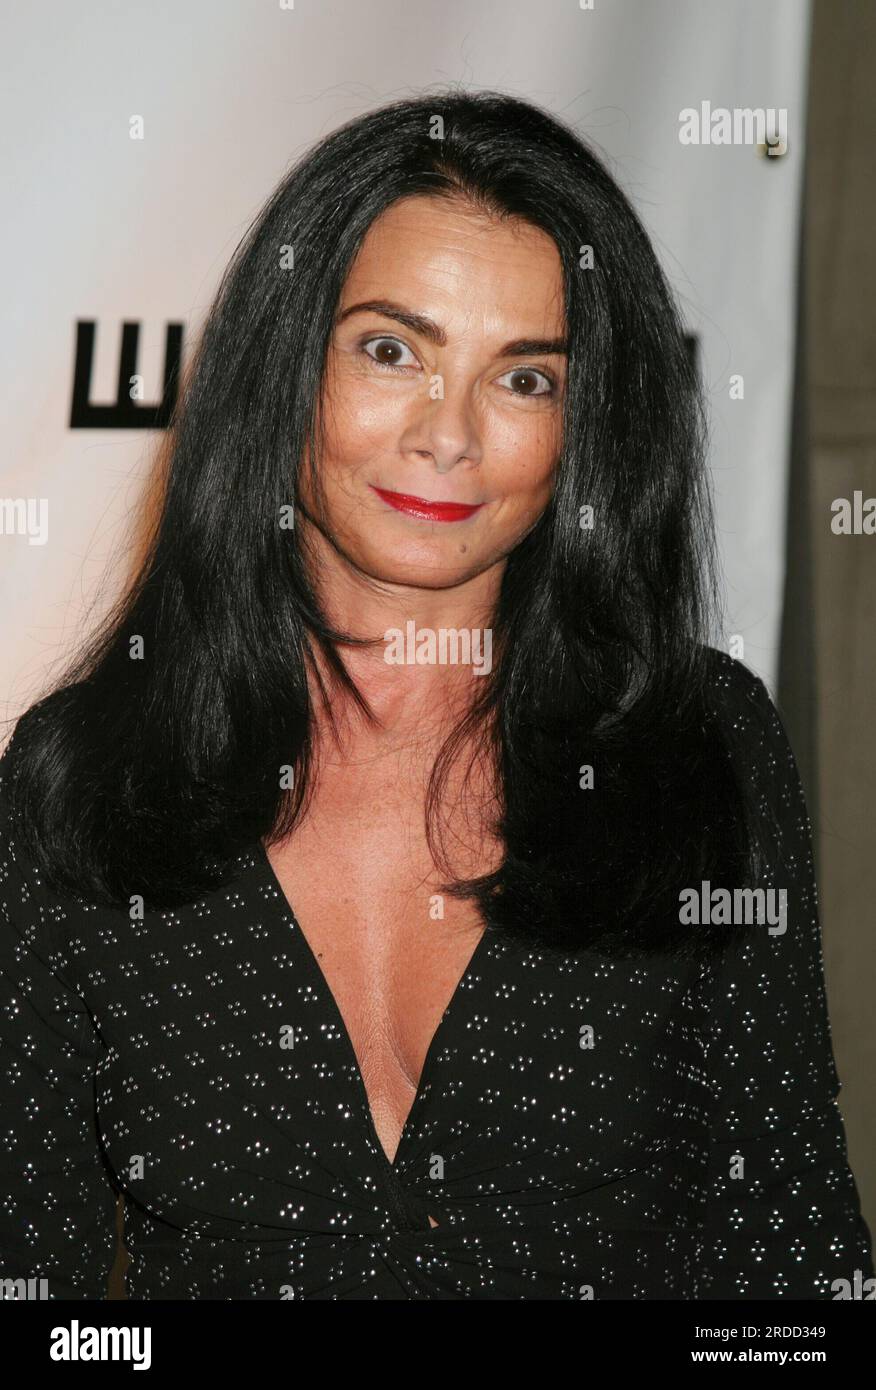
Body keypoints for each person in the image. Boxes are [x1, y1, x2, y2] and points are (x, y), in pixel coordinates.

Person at [0, 90, 871, 1301]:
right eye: (392, 349)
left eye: (524, 379)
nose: (447, 434)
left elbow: (791, 1240)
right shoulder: (83, 779)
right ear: (285, 368)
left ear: (583, 435)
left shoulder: (696, 743)